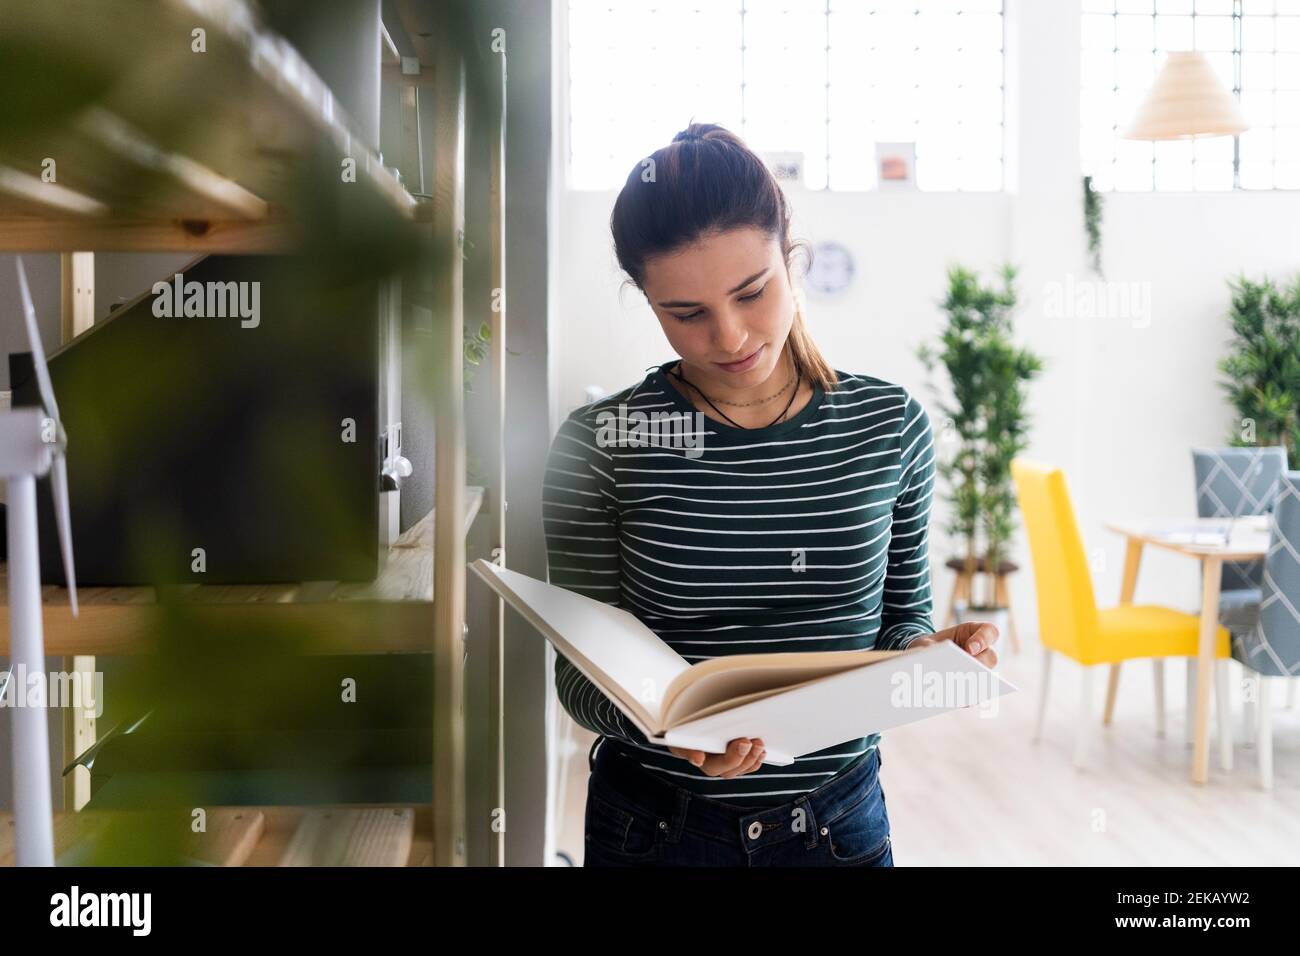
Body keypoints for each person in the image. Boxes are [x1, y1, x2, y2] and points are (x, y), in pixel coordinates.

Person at [542, 122, 999, 867]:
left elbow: (899, 619)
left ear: (792, 258)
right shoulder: (603, 441)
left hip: (838, 827)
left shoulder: (890, 428)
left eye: (752, 292)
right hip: (653, 830)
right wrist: (673, 729)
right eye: (684, 314)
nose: (728, 337)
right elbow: (579, 676)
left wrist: (924, 657)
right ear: (645, 299)